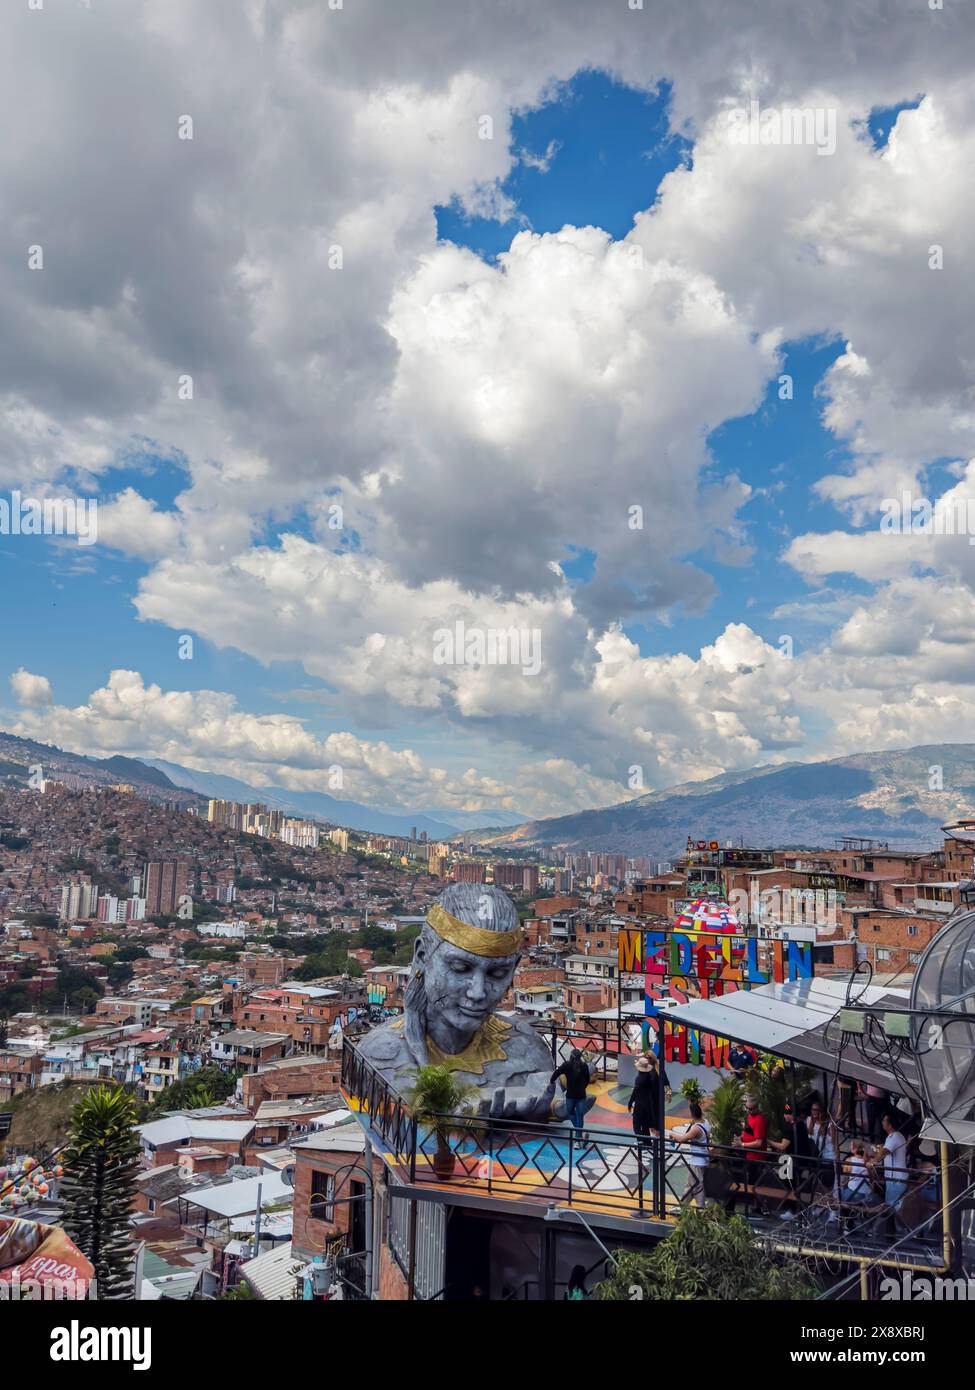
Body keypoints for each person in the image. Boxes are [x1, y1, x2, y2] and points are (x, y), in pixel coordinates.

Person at [673, 1100, 710, 1207]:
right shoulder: (706, 1122)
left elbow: (681, 1139)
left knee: (697, 1185)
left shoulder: (696, 1129)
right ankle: (682, 1205)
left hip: (697, 1162)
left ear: (692, 1114)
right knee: (690, 1184)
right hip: (702, 1159)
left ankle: (701, 1207)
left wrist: (672, 1134)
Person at [550, 1049, 592, 1142]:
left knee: (570, 1112)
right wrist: (582, 1087)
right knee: (580, 1115)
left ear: (571, 1056)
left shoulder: (567, 1065)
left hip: (571, 1095)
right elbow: (587, 1079)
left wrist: (552, 1081)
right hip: (581, 1095)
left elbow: (557, 1072)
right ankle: (579, 1135)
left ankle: (578, 1136)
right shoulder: (584, 1066)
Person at [873, 1113, 910, 1210]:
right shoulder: (896, 1136)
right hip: (897, 1178)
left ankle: (895, 1224)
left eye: (884, 1120)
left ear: (890, 1125)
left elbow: (884, 1152)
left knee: (891, 1208)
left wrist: (873, 1161)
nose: (882, 1122)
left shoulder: (894, 1137)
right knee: (895, 1206)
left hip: (895, 1180)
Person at [628, 1054, 667, 1140]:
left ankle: (641, 1143)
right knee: (645, 1125)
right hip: (648, 1103)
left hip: (639, 1104)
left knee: (637, 1125)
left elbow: (635, 1092)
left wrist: (630, 1103)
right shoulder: (649, 1076)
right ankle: (647, 1143)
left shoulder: (639, 1078)